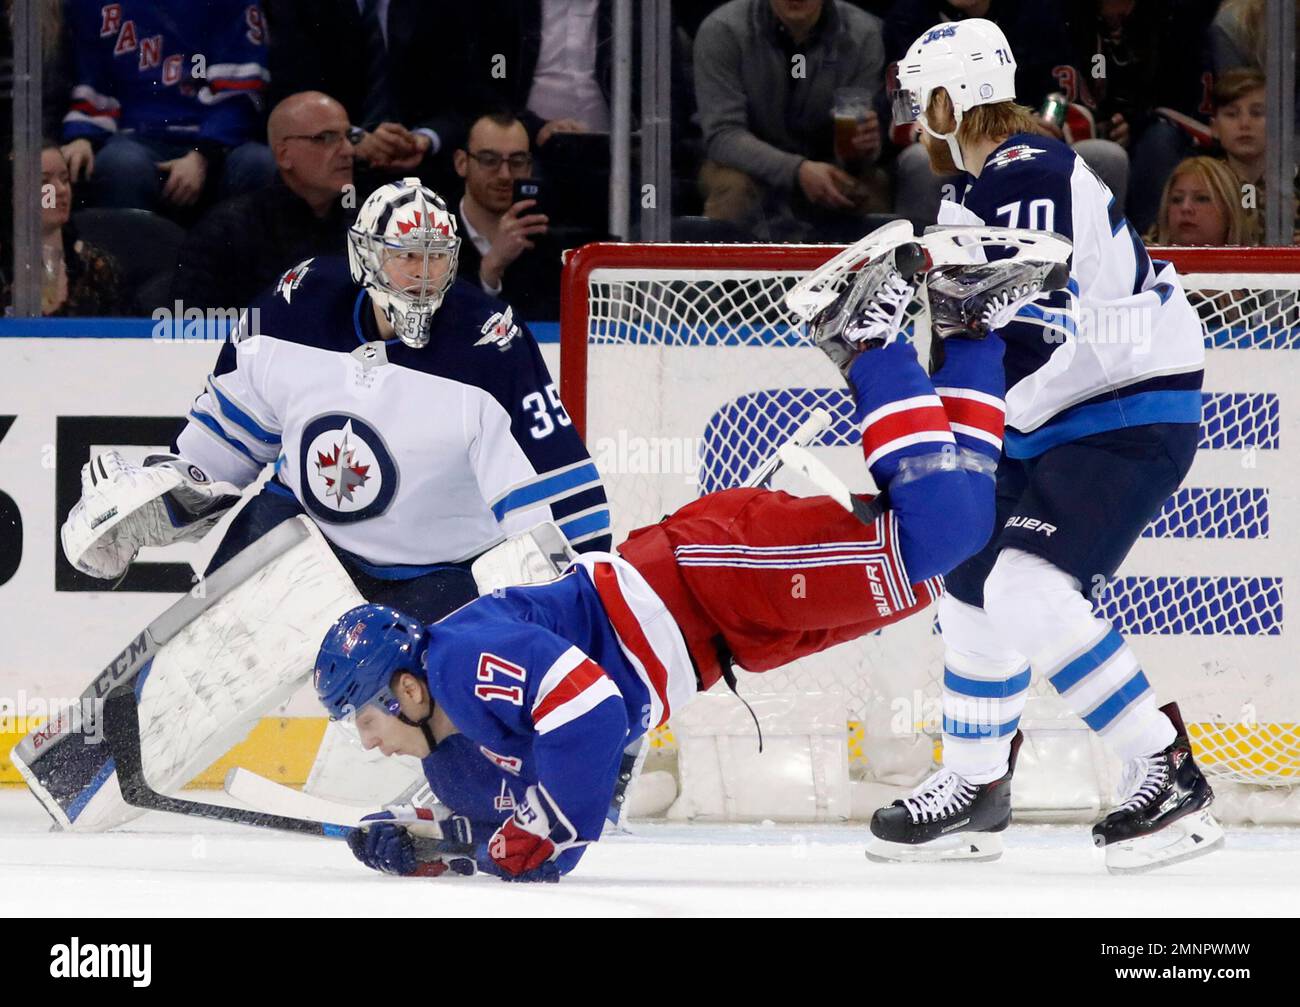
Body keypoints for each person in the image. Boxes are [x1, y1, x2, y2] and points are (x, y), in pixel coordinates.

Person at [313, 238, 1040, 881]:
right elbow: (515, 822)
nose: (367, 742)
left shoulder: (457, 662)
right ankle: (967, 323)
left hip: (702, 578)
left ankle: (865, 339)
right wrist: (430, 846)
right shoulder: (451, 752)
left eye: (364, 717)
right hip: (722, 629)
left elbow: (590, 712)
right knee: (949, 555)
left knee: (939, 536)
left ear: (405, 689)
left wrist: (551, 833)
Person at [874, 18, 1221, 875]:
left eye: (924, 103)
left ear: (953, 101)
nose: (918, 122)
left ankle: (1164, 769)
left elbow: (1026, 321)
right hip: (1047, 408)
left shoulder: (1026, 173)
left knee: (1027, 584)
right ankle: (977, 782)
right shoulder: (977, 189)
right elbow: (985, 328)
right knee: (967, 576)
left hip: (1125, 403)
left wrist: (932, 404)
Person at [61, 177, 612, 619]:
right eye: (405, 257)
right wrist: (168, 498)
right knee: (194, 654)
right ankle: (116, 753)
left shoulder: (490, 347)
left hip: (441, 569)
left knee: (429, 733)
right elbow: (225, 446)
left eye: (437, 257)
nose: (423, 276)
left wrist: (593, 622)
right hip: (299, 531)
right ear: (366, 257)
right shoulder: (294, 308)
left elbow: (560, 502)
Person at [693, 0, 890, 240]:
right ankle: (723, 275)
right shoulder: (723, 30)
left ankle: (879, 274)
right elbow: (723, 135)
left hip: (827, 163)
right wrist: (797, 171)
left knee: (872, 190)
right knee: (733, 187)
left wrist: (863, 149)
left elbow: (858, 145)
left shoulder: (864, 33)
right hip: (745, 165)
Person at [59, 0, 276, 213]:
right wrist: (83, 137)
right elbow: (94, 81)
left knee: (259, 163)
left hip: (221, 144)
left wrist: (202, 156)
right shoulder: (91, 5)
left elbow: (240, 93)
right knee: (118, 165)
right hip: (138, 139)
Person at [171, 92, 359, 312]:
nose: (348, 150)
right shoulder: (227, 231)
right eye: (326, 138)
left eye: (349, 136)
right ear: (283, 155)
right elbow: (189, 329)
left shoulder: (369, 223)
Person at [452, 112, 560, 319]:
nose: (505, 175)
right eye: (489, 160)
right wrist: (490, 269)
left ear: (529, 167)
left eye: (517, 162)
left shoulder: (544, 241)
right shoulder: (433, 234)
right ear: (461, 163)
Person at [5, 144, 127, 316]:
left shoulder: (97, 268)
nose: (61, 190)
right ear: (13, 196)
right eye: (44, 182)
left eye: (65, 179)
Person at [1146, 156, 1252, 246]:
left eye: (1201, 199)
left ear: (1229, 211)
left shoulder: (1256, 268)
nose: (1185, 208)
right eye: (1177, 200)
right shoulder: (1143, 265)